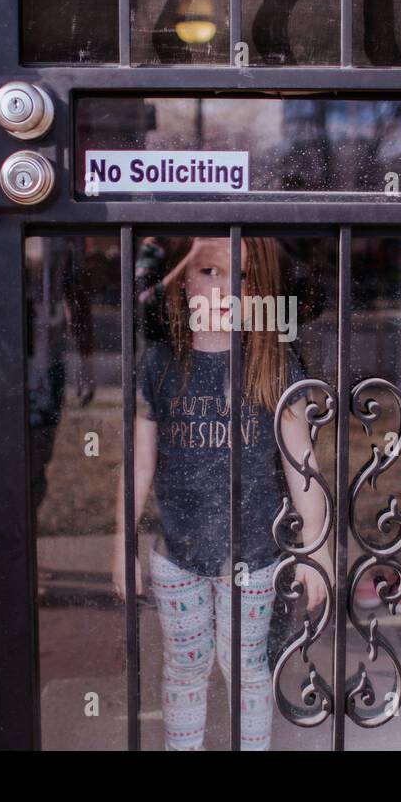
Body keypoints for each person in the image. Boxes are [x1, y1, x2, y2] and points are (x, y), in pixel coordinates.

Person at [112, 237, 332, 751]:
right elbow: (139, 463)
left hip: (254, 556)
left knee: (248, 670)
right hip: (177, 557)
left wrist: (316, 546)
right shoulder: (160, 365)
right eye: (208, 271)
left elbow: (303, 468)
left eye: (241, 276)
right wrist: (122, 543)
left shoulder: (273, 365)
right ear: (183, 281)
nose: (223, 288)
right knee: (184, 670)